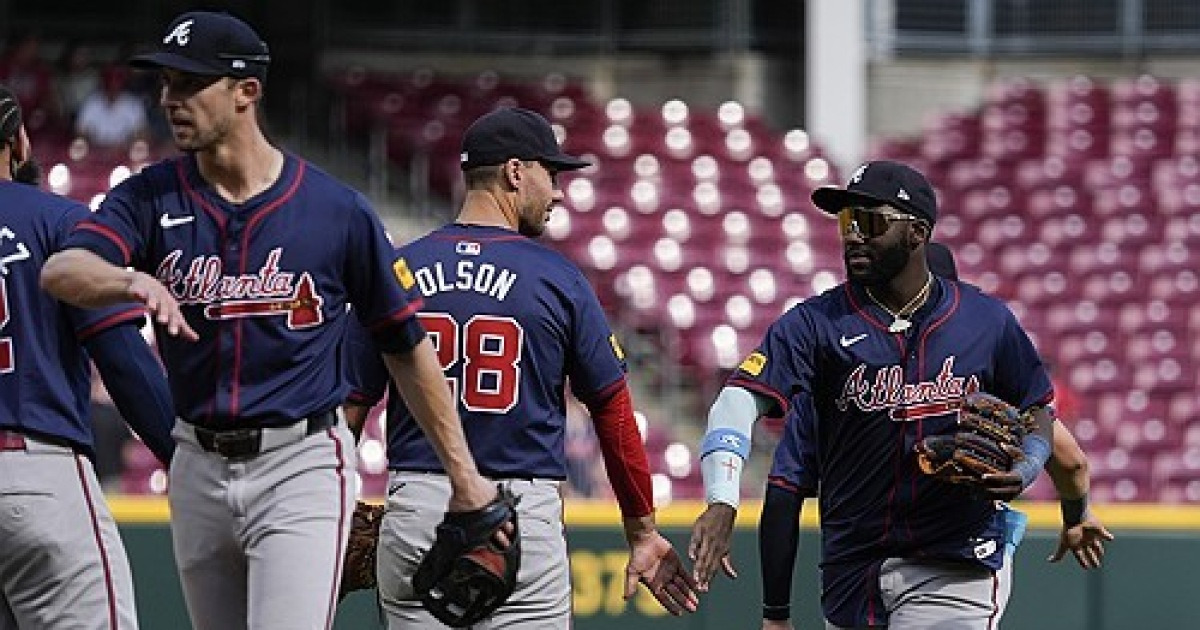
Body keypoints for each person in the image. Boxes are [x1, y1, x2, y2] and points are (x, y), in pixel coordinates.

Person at [39, 11, 501, 630]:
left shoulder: (335, 211)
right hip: (196, 461)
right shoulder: (150, 196)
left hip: (300, 460)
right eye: (166, 83)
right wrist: (128, 279)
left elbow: (406, 346)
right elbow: (61, 270)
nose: (169, 99)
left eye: (188, 83)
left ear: (245, 91)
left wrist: (465, 478)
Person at [342, 106, 700, 627]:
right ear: (515, 172)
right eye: (550, 174)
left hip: (418, 506)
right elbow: (615, 415)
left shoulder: (399, 270)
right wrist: (641, 531)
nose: (556, 191)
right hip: (520, 515)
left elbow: (349, 412)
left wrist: (321, 509)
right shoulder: (557, 278)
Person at [689, 160, 1058, 629]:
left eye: (870, 221)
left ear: (917, 233)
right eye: (846, 221)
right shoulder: (815, 324)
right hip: (852, 572)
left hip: (952, 559)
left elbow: (1036, 407)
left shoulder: (985, 321)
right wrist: (722, 498)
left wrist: (1028, 465)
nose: (853, 235)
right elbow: (738, 401)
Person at [756, 243, 1114, 629]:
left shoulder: (834, 385)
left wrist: (775, 613)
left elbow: (783, 490)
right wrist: (1075, 515)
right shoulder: (983, 373)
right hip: (919, 564)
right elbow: (1071, 460)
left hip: (887, 568)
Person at [0, 85, 174, 629]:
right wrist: (189, 465)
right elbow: (123, 363)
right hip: (34, 467)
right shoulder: (58, 221)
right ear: (19, 142)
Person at [74, 65, 148, 148]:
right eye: (109, 85)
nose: (113, 88)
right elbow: (80, 132)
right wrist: (91, 143)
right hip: (96, 152)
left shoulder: (133, 104)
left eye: (116, 84)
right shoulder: (91, 103)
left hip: (125, 152)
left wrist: (126, 145)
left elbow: (142, 133)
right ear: (103, 85)